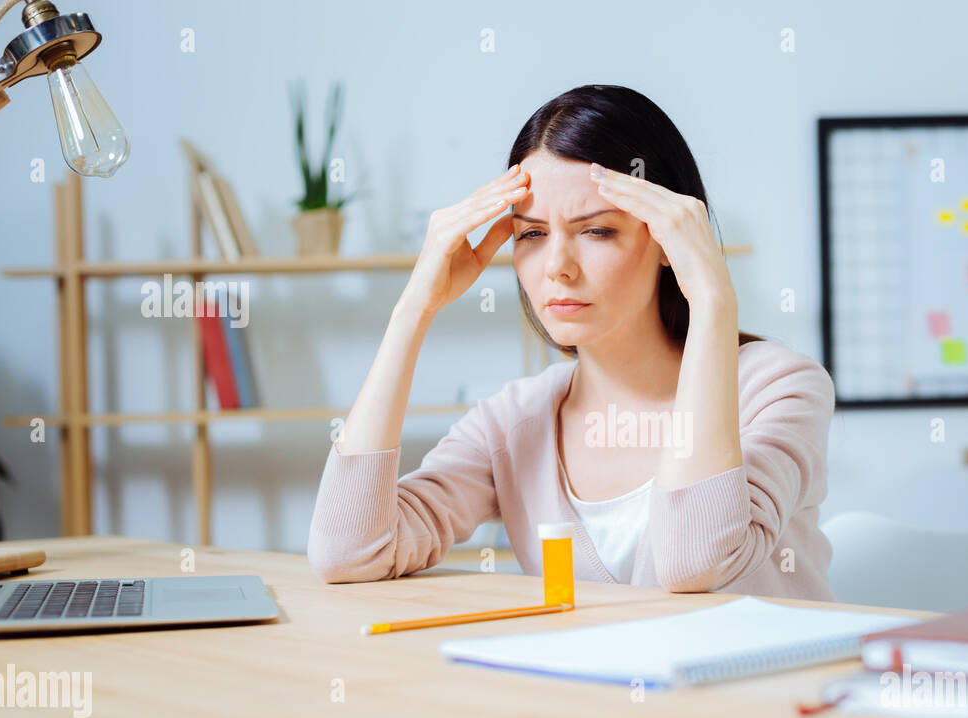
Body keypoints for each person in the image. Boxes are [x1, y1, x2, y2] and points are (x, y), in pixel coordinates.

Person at [308, 84, 836, 600]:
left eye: (597, 231)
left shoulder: (778, 386)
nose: (557, 268)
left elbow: (695, 563)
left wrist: (713, 303)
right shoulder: (514, 422)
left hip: (766, 690)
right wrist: (412, 311)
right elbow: (347, 552)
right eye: (532, 235)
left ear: (671, 239)